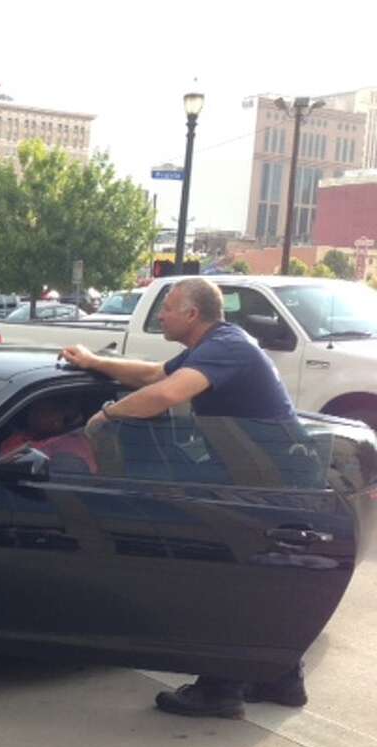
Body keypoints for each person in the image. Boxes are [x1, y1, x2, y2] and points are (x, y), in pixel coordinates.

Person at [60, 277, 306, 720]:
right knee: (261, 583)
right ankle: (281, 679)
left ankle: (220, 689)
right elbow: (156, 375)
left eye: (168, 308)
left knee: (225, 582)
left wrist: (107, 415)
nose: (161, 315)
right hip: (267, 477)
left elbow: (167, 394)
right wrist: (97, 361)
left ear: (193, 315)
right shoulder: (213, 346)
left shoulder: (227, 346)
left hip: (267, 480)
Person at [0, 395, 97, 473]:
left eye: (41, 411)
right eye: (33, 409)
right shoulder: (29, 435)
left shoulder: (70, 446)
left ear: (57, 418)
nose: (32, 415)